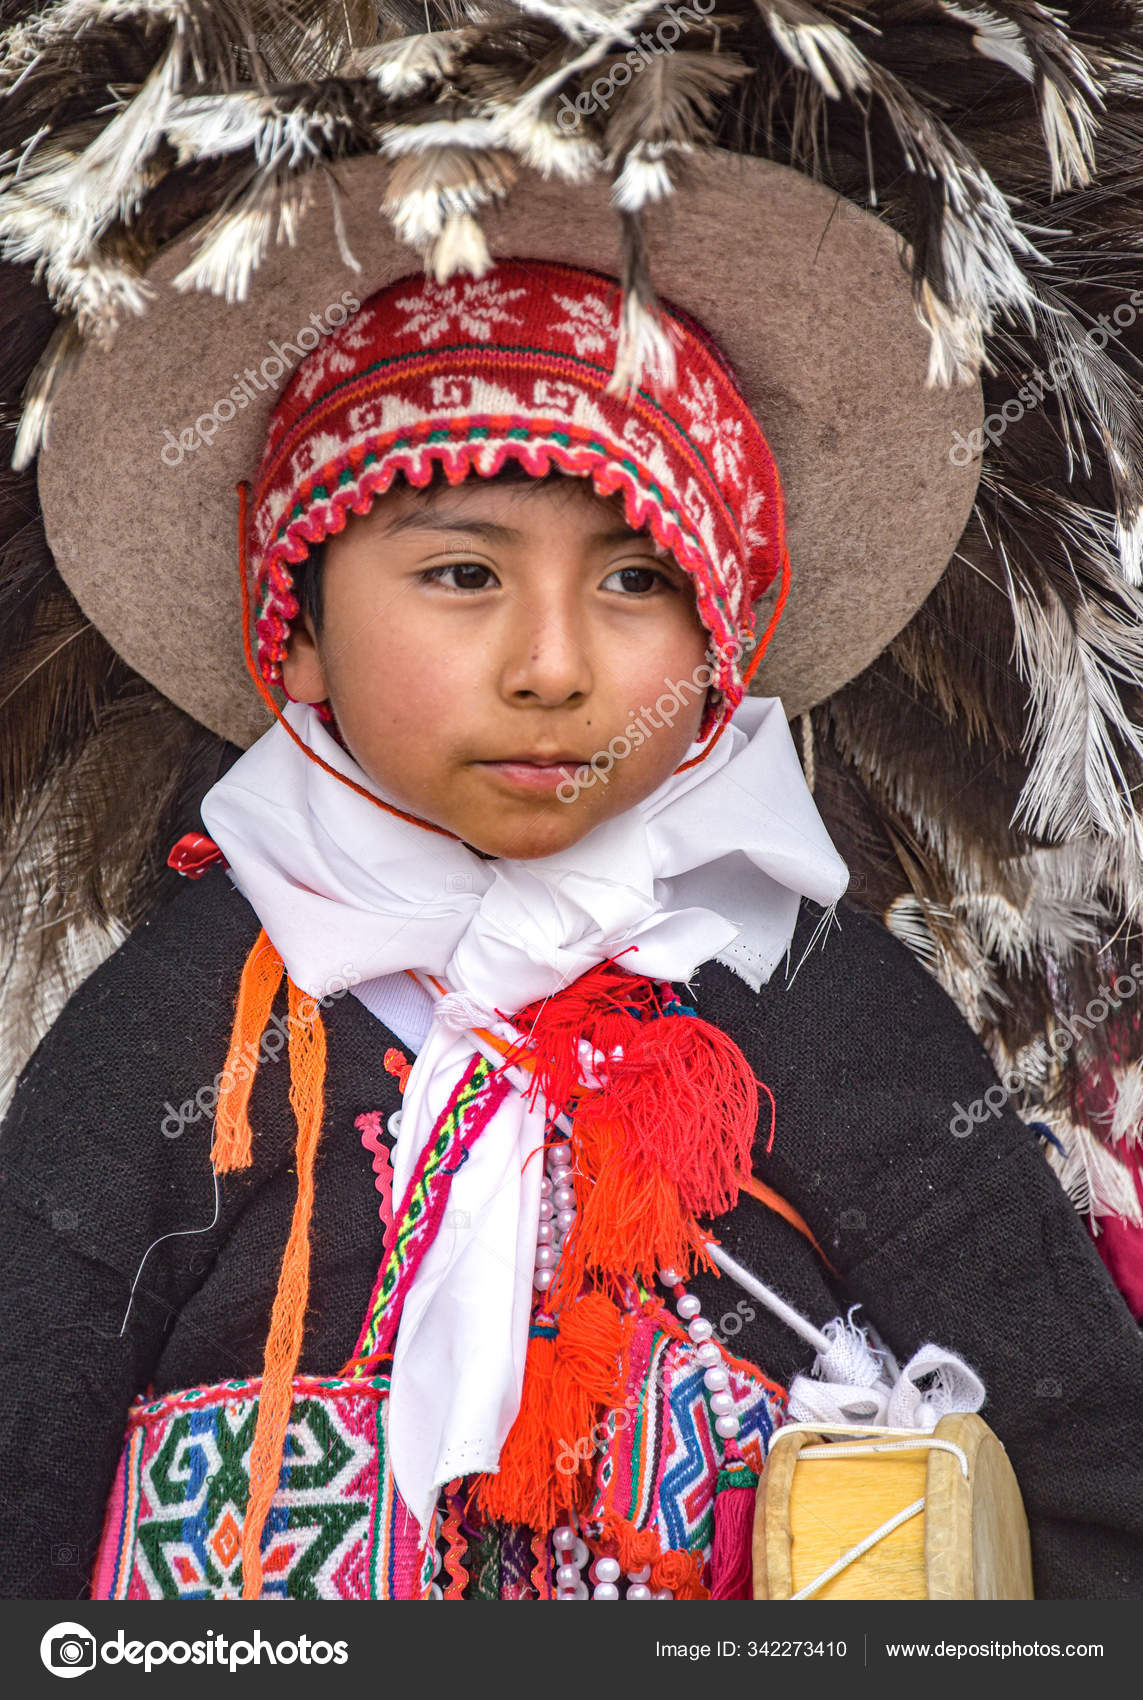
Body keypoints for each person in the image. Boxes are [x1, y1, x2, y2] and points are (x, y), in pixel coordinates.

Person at [3, 0, 1143, 1607]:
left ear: (728, 634)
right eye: (461, 573)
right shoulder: (190, 1032)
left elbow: (1094, 1483)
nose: (552, 668)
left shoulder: (810, 1001)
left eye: (634, 579)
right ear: (301, 633)